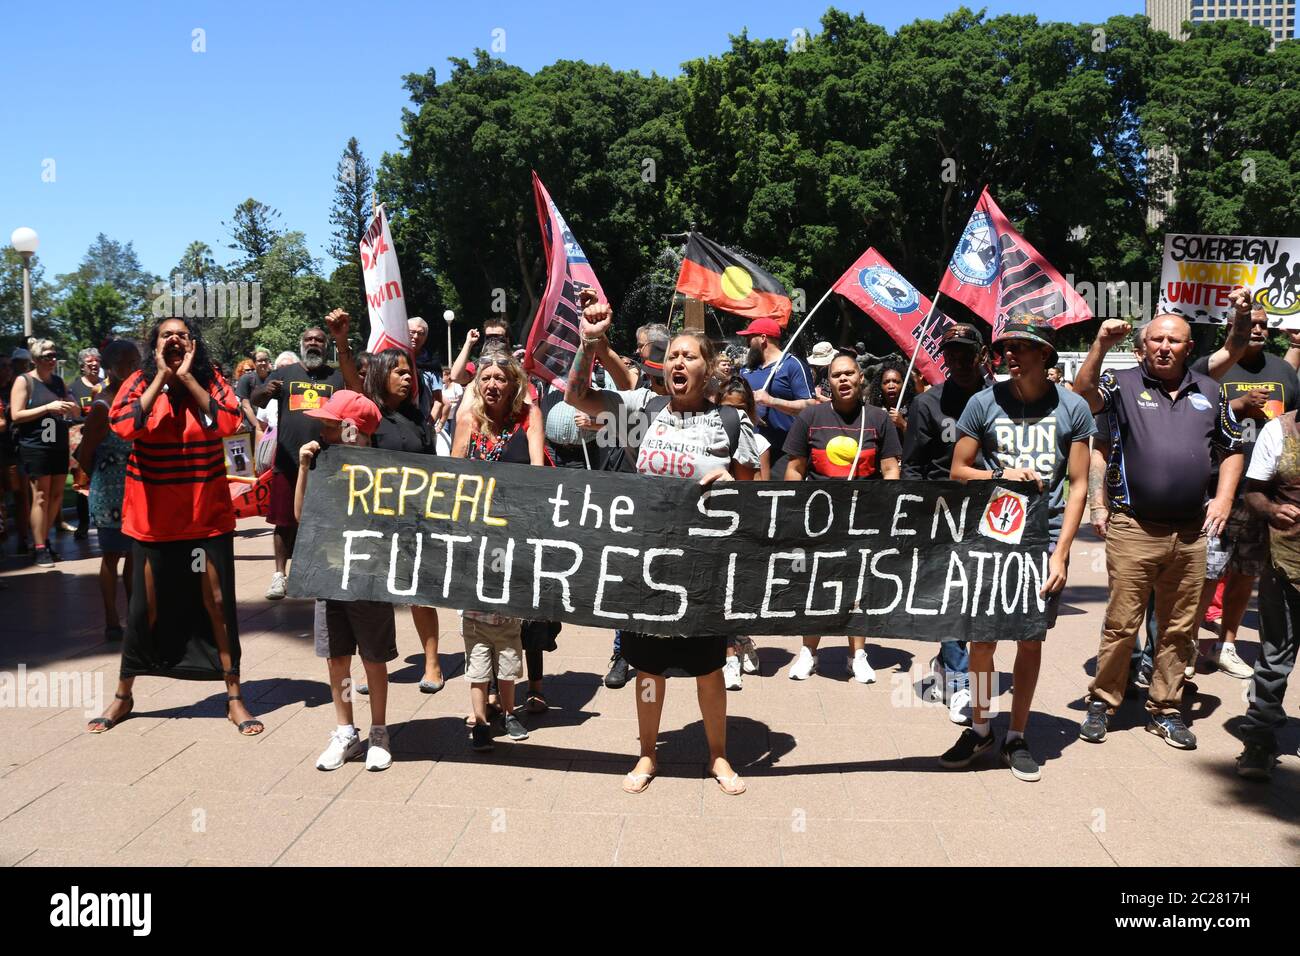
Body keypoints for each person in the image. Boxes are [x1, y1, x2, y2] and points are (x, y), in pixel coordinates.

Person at [567, 307, 759, 795]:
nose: (677, 362)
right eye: (672, 355)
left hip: (704, 567)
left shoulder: (732, 422)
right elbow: (577, 398)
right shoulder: (641, 412)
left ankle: (718, 756)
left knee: (709, 667)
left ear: (708, 367)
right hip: (647, 564)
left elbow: (757, 501)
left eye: (689, 356)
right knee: (648, 667)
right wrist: (590, 342)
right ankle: (648, 754)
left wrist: (731, 489)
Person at [1074, 300, 1246, 751]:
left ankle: (1166, 710)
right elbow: (1083, 392)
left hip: (1191, 534)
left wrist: (1225, 497)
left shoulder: (1211, 391)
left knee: (1179, 628)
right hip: (1135, 528)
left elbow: (1232, 448)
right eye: (1156, 339)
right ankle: (1103, 704)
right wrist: (1099, 345)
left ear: (1189, 348)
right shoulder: (1122, 383)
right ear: (1142, 346)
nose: (1165, 347)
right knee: (1121, 624)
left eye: (1174, 340)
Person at [87, 317, 260, 736]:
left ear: (194, 344)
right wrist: (162, 377)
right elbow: (125, 426)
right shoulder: (138, 382)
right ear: (155, 344)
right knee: (144, 608)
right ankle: (124, 695)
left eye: (182, 334)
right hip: (153, 521)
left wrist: (187, 378)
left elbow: (227, 424)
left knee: (217, 604)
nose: (175, 339)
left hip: (205, 519)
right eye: (166, 335)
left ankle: (234, 696)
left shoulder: (213, 381)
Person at [941, 317, 1093, 781]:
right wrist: (999, 475)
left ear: (1045, 354)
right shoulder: (981, 403)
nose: (1010, 354)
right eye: (1006, 346)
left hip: (1041, 541)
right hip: (991, 535)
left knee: (1030, 639)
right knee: (982, 639)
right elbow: (958, 470)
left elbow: (1080, 484)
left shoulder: (1073, 408)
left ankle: (1017, 735)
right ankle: (982, 727)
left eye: (1023, 347)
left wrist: (1061, 553)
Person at [1189, 304, 1300, 679]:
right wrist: (1238, 405)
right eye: (1250, 323)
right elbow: (1191, 416)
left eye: (1264, 325)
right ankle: (1185, 645)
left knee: (1245, 574)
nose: (1258, 330)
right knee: (1205, 573)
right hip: (1216, 487)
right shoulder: (1213, 366)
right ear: (1232, 326)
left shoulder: (1284, 371)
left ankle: (1226, 644)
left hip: (1262, 495)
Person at [784, 348, 902, 684]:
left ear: (861, 378)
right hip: (818, 516)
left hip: (863, 516)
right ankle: (808, 651)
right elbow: (794, 468)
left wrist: (886, 505)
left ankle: (857, 655)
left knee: (859, 584)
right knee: (815, 582)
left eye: (849, 373)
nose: (843, 379)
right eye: (836, 375)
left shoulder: (878, 419)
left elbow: (891, 468)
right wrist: (797, 508)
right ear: (829, 381)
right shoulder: (810, 418)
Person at [294, 390, 396, 772]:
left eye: (330, 424)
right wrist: (304, 468)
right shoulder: (320, 461)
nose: (322, 429)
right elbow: (302, 514)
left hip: (368, 577)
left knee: (373, 657)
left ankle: (380, 730)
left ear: (353, 430)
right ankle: (346, 730)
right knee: (338, 658)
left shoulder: (382, 468)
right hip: (330, 574)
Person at [451, 348, 544, 751]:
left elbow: (539, 473)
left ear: (513, 384)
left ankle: (508, 707)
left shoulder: (529, 416)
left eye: (500, 378)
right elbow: (453, 472)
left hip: (516, 531)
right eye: (485, 377)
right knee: (475, 623)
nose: (492, 384)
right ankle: (480, 714)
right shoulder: (467, 418)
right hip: (476, 533)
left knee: (509, 625)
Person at [901, 322, 990, 723]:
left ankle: (946, 661)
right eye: (951, 352)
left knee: (983, 600)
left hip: (997, 511)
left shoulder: (1001, 399)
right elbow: (913, 466)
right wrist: (917, 518)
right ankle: (960, 681)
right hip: (943, 514)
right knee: (954, 596)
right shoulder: (927, 404)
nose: (958, 360)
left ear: (982, 355)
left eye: (965, 352)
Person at [252, 313, 360, 599]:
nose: (314, 343)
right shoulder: (285, 374)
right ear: (301, 344)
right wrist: (265, 390)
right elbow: (255, 401)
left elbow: (355, 395)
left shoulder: (335, 377)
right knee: (283, 521)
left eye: (319, 340)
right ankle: (279, 576)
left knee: (324, 518)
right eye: (309, 339)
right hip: (288, 461)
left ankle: (320, 570)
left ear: (326, 346)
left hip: (328, 461)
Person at [363, 348, 446, 694]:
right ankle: (374, 663)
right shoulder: (367, 418)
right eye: (399, 372)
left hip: (414, 520)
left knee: (418, 592)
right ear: (381, 376)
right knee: (371, 595)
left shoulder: (418, 419)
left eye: (409, 372)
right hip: (375, 520)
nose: (408, 377)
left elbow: (432, 468)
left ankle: (432, 664)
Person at [1237, 406, 1300, 779]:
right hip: (1286, 563)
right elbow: (1254, 492)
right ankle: (1258, 741)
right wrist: (1274, 510)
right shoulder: (1280, 430)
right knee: (1276, 656)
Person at [75, 340, 140, 642]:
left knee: (134, 555)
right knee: (112, 556)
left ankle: (135, 614)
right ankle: (112, 620)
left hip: (135, 492)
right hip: (110, 494)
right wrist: (101, 482)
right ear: (113, 368)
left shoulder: (136, 399)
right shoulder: (102, 406)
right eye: (131, 363)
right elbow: (84, 454)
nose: (137, 368)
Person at [716, 375, 767, 689]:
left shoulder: (758, 443)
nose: (736, 416)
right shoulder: (709, 438)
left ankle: (741, 637)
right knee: (719, 592)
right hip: (715, 524)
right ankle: (728, 655)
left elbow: (761, 486)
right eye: (727, 409)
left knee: (738, 592)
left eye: (741, 410)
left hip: (744, 526)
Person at [9, 339, 74, 567]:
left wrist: (71, 406)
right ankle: (38, 547)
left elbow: (69, 403)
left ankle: (44, 540)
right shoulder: (24, 381)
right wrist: (47, 407)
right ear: (35, 359)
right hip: (35, 445)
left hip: (58, 443)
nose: (52, 359)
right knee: (41, 496)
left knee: (56, 495)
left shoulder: (57, 381)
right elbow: (16, 415)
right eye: (47, 356)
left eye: (54, 355)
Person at [741, 317, 816, 478]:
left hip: (784, 451)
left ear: (763, 338)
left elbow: (811, 406)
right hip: (751, 449)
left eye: (749, 338)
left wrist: (772, 401)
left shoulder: (793, 365)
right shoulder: (745, 370)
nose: (746, 343)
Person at [67, 347, 103, 539]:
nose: (94, 365)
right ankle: (83, 524)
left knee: (104, 480)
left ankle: (104, 521)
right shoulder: (74, 387)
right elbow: (73, 416)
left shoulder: (107, 385)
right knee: (81, 483)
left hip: (105, 438)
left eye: (97, 361)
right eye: (90, 362)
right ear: (82, 366)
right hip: (81, 438)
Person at [0, 356, 33, 555]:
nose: (7, 370)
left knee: (22, 496)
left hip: (16, 449)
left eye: (9, 366)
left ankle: (24, 539)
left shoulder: (15, 389)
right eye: (2, 366)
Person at [448, 316, 512, 387]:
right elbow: (456, 377)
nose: (493, 341)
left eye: (498, 337)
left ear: (507, 339)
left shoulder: (515, 365)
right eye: (489, 337)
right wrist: (469, 343)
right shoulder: (478, 365)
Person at [407, 316, 446, 425]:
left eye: (421, 333)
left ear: (426, 337)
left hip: (421, 424)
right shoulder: (393, 359)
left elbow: (438, 400)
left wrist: (428, 424)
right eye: (412, 332)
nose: (416, 336)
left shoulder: (432, 365)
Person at [870, 356, 915, 441]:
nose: (891, 386)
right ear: (880, 386)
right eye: (886, 382)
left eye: (896, 382)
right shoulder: (872, 410)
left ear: (905, 385)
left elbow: (918, 442)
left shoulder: (915, 408)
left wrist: (903, 424)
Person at [235, 348, 272, 441]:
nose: (263, 363)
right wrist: (259, 428)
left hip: (272, 426)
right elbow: (246, 406)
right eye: (260, 360)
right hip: (252, 427)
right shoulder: (246, 379)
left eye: (265, 360)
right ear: (255, 363)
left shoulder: (274, 376)